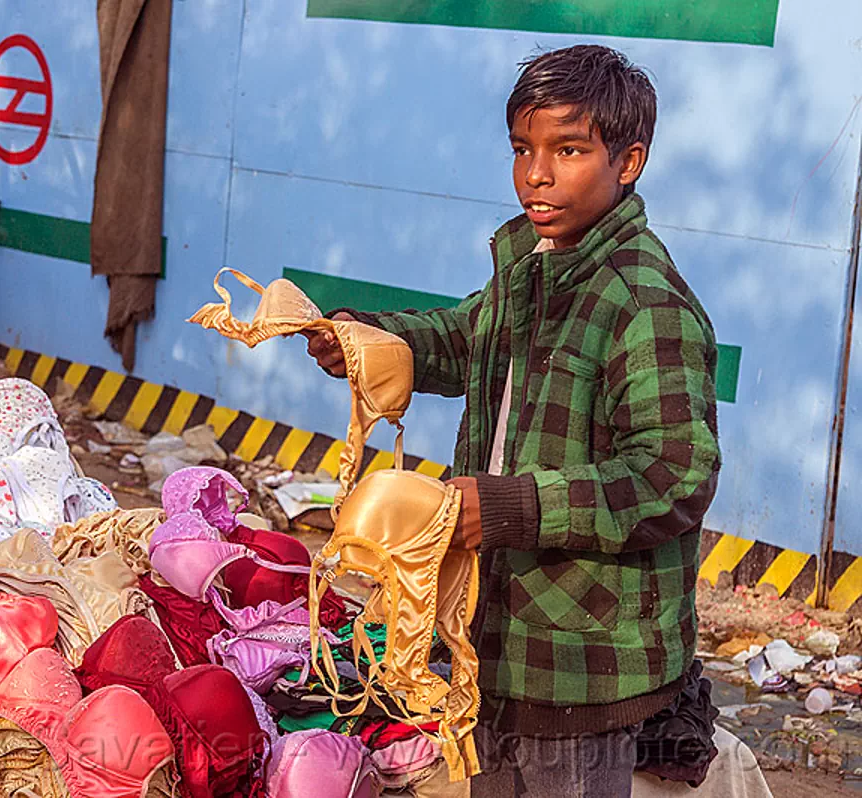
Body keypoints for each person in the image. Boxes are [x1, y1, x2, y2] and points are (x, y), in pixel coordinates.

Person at [307, 44, 720, 798]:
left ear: (628, 161)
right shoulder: (530, 270)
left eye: (568, 150)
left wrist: (507, 508)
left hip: (585, 665)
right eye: (522, 150)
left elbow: (671, 479)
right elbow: (465, 340)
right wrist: (369, 339)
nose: (537, 173)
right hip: (498, 643)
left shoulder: (645, 303)